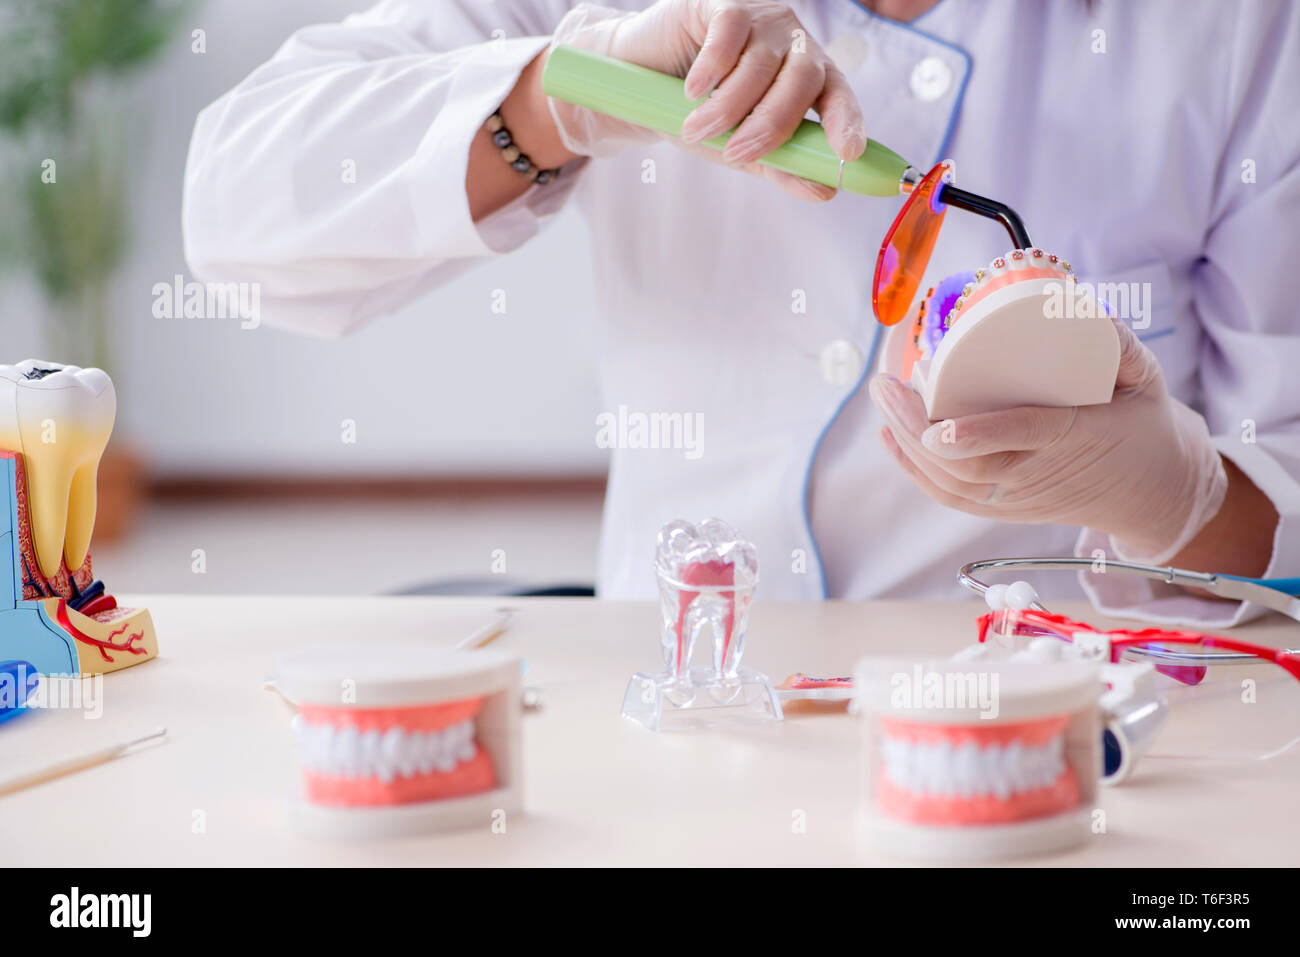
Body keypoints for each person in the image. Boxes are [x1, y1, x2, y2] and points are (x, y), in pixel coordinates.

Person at [183, 0, 1299, 623]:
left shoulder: (1236, 32)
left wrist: (1177, 497)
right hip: (673, 707)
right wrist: (562, 96)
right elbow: (239, 212)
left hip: (1061, 743)